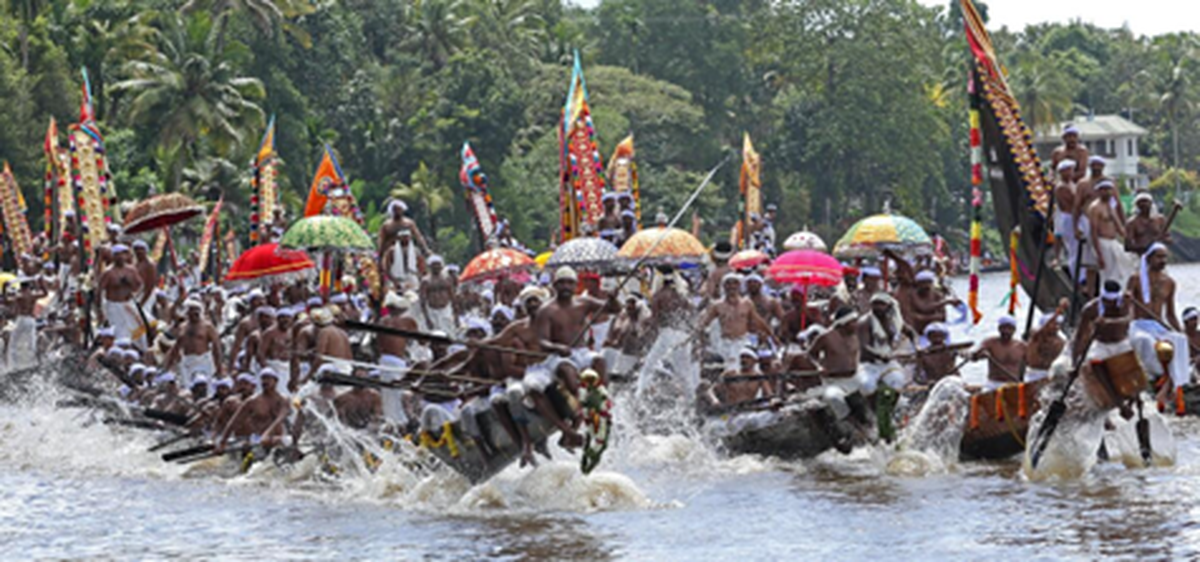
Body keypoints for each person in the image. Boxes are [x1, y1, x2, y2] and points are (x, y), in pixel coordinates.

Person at [1125, 243, 1191, 394]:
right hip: (1139, 326)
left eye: (1165, 257)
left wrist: (1180, 331)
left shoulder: (1169, 283)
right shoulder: (1136, 279)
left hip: (1158, 326)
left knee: (1180, 340)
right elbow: (1126, 299)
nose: (1163, 260)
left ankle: (1180, 382)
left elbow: (1170, 314)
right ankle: (1159, 376)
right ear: (1148, 258)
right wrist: (1127, 296)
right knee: (1146, 342)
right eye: (1159, 256)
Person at [698, 274, 775, 370]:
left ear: (739, 286)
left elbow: (757, 320)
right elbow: (704, 323)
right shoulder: (717, 305)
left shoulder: (747, 303)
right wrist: (698, 338)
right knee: (730, 370)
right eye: (728, 284)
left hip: (743, 342)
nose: (731, 286)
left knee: (748, 368)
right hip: (725, 343)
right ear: (724, 286)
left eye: (735, 283)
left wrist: (772, 336)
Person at [215, 368, 291, 453]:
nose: (265, 381)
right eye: (263, 378)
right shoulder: (252, 401)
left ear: (275, 381)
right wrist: (222, 442)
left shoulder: (284, 399)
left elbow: (284, 419)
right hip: (258, 440)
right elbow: (234, 422)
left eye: (268, 378)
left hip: (278, 438)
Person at [162, 299, 224, 388]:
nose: (195, 313)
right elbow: (176, 347)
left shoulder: (207, 326)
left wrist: (219, 368)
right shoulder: (182, 327)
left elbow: (216, 347)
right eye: (192, 310)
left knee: (206, 387)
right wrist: (168, 365)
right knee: (188, 388)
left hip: (204, 360)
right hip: (188, 361)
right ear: (187, 312)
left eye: (197, 310)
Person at [98, 244, 147, 348]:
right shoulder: (108, 272)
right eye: (117, 255)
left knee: (138, 330)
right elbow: (99, 291)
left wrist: (136, 296)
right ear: (113, 256)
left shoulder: (131, 270)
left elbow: (141, 285)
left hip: (128, 304)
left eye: (122, 254)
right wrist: (100, 311)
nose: (120, 257)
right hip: (114, 306)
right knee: (119, 333)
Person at [1086, 180, 1133, 287]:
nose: (1107, 192)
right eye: (1104, 190)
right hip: (1102, 243)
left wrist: (1129, 238)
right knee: (1107, 274)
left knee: (1124, 269)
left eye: (1109, 189)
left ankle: (1119, 296)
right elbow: (1093, 231)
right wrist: (1099, 254)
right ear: (1098, 191)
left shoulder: (1111, 206)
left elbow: (1119, 227)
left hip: (1113, 242)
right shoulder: (1095, 207)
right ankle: (1107, 297)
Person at [969, 315, 1026, 390]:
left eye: (1009, 328)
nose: (1006, 331)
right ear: (999, 329)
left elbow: (1033, 364)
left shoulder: (1022, 346)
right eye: (1003, 328)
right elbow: (974, 357)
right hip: (994, 384)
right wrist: (979, 355)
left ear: (1014, 330)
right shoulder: (990, 343)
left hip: (1013, 384)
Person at [3, 278, 46, 369]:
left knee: (13, 343)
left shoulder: (20, 296)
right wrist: (41, 284)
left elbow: (6, 300)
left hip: (22, 318)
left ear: (21, 287)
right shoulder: (33, 295)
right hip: (31, 320)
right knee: (31, 343)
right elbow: (45, 293)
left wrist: (4, 288)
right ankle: (34, 363)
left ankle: (12, 366)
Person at [1025, 303, 1068, 383]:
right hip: (1033, 375)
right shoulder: (1036, 336)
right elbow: (1042, 332)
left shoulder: (1061, 341)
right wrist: (1058, 312)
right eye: (1054, 324)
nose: (1056, 327)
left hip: (1049, 375)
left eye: (1058, 324)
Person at [256, 306, 294, 394]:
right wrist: (268, 371)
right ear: (277, 319)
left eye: (288, 317)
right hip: (273, 366)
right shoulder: (269, 333)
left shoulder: (291, 333)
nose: (285, 320)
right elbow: (260, 354)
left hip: (286, 369)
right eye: (283, 317)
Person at [419, 255, 458, 335]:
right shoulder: (425, 281)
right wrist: (427, 319)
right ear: (430, 266)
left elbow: (453, 298)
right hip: (432, 311)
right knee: (434, 335)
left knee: (449, 334)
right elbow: (422, 301)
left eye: (438, 264)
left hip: (446, 310)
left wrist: (456, 317)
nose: (436, 267)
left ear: (441, 266)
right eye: (434, 265)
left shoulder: (447, 279)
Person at [132, 240, 158, 307]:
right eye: (136, 249)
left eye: (141, 249)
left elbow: (150, 286)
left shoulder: (149, 264)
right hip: (137, 293)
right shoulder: (135, 263)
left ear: (146, 250)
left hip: (146, 295)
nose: (139, 251)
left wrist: (142, 302)